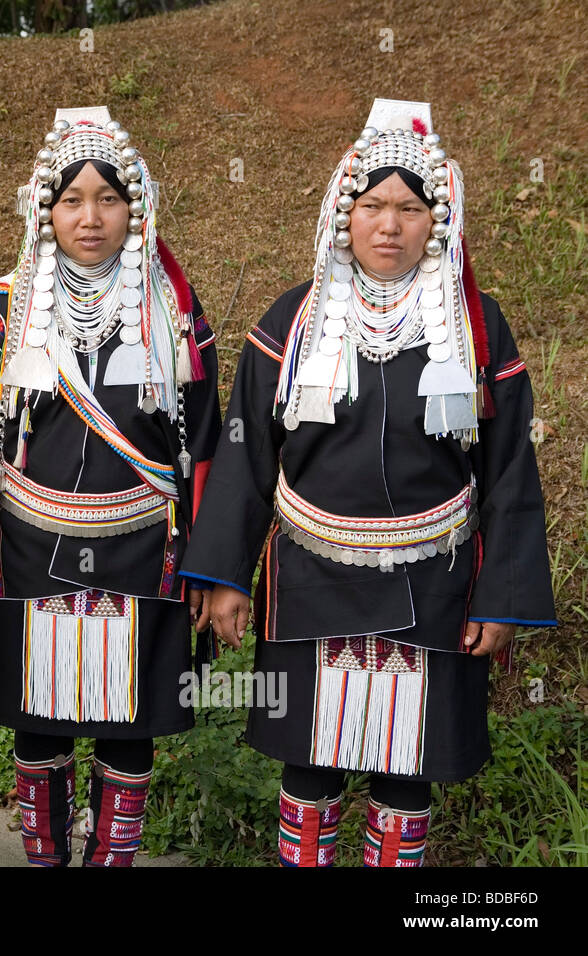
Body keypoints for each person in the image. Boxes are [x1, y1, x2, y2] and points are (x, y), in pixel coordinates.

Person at [180, 99, 556, 866]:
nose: (390, 225)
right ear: (342, 216)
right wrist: (226, 576)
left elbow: (510, 471)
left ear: (436, 221)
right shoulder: (293, 323)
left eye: (410, 209)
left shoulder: (476, 328)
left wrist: (504, 597)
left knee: (407, 772)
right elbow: (248, 453)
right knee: (309, 765)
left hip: (435, 582)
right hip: (312, 576)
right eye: (373, 206)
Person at [0, 110, 221, 866]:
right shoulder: (2, 312)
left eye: (108, 198)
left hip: (144, 550)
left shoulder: (171, 311)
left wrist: (210, 566)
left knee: (129, 724)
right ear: (46, 210)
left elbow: (203, 446)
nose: (91, 217)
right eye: (72, 200)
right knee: (39, 721)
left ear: (135, 208)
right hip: (29, 549)